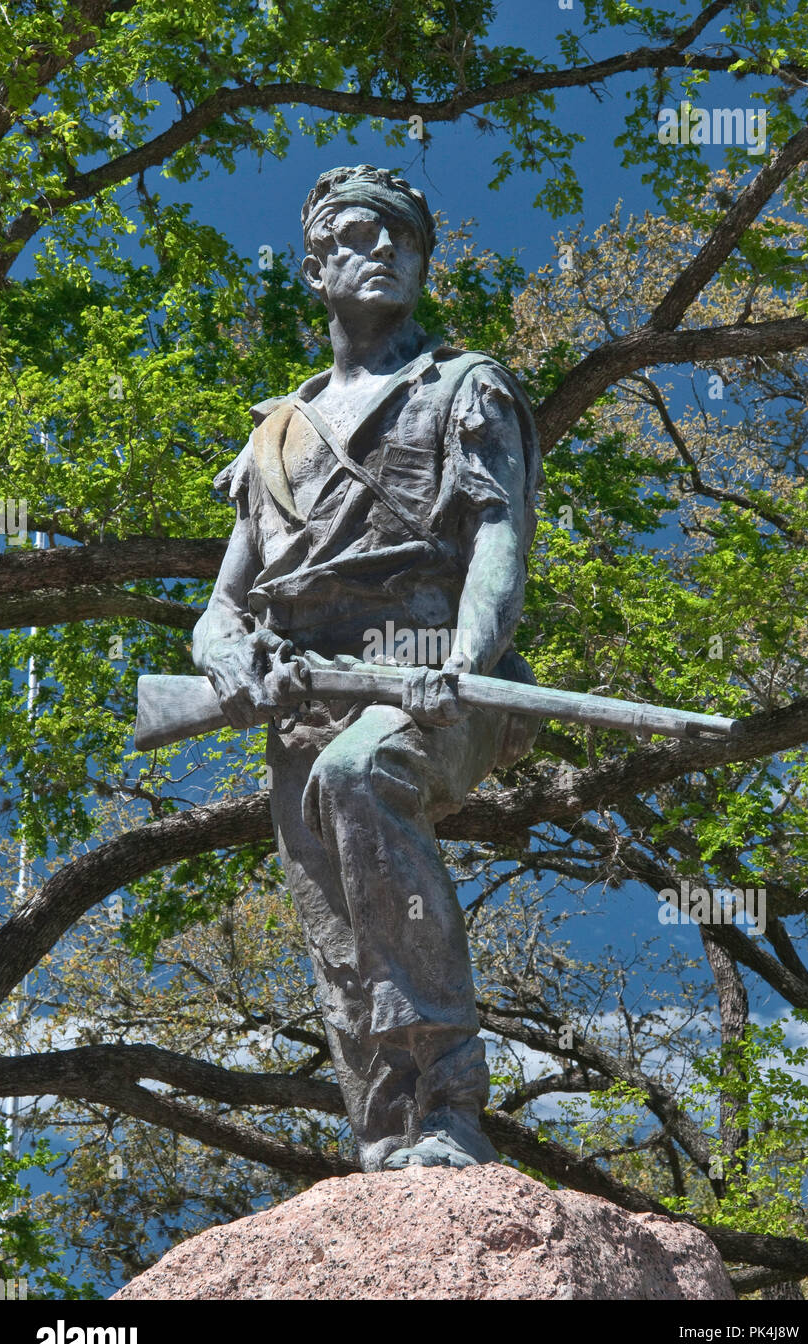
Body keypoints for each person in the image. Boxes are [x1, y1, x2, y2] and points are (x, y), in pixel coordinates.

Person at [192, 165, 542, 1171]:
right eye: (356, 233)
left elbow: (496, 545)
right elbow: (223, 605)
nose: (383, 248)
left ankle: (446, 1107)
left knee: (363, 775)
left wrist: (464, 663)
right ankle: (385, 1141)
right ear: (312, 265)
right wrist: (229, 660)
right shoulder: (277, 432)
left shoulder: (460, 388)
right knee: (336, 929)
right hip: (303, 696)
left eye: (404, 238)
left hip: (435, 671)